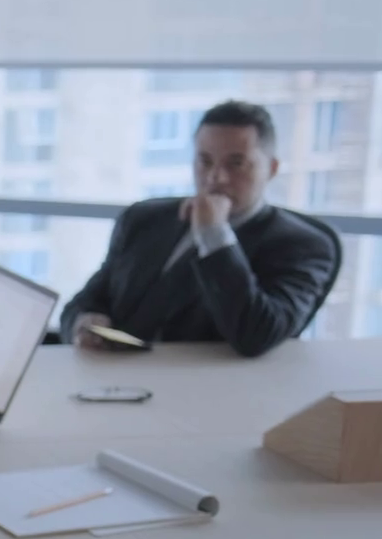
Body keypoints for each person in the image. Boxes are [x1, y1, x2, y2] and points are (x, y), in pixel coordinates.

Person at [62, 100, 337, 358]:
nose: (215, 178)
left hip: (207, 396)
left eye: (236, 163)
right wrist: (83, 320)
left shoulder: (302, 245)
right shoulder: (145, 219)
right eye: (204, 161)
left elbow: (256, 335)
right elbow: (88, 299)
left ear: (272, 168)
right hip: (109, 381)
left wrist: (214, 235)